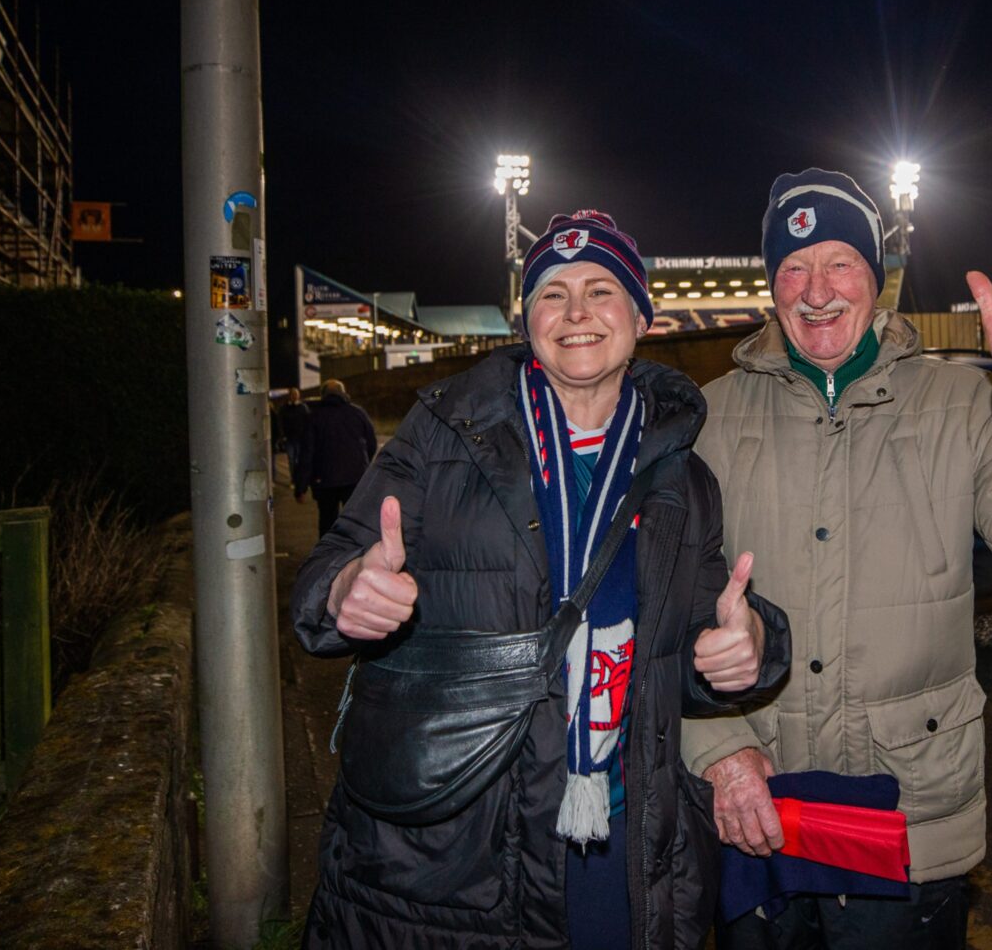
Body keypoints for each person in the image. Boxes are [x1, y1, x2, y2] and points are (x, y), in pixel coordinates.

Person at [292, 209, 790, 949]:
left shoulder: (681, 477)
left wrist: (747, 645)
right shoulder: (443, 432)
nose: (577, 312)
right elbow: (322, 580)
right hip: (452, 853)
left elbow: (686, 657)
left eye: (602, 290)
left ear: (642, 317)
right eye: (552, 293)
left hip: (620, 841)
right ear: (527, 323)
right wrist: (346, 594)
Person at [681, 169, 992, 949]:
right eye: (792, 268)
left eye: (839, 262)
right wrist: (714, 747)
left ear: (876, 281)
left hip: (909, 820)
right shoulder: (708, 417)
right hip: (759, 812)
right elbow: (663, 607)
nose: (815, 290)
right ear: (771, 286)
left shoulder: (961, 401)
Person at [294, 379, 378, 534]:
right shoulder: (357, 412)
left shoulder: (314, 416)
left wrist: (301, 487)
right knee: (354, 520)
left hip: (324, 479)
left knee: (327, 521)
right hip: (355, 476)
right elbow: (371, 443)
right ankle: (353, 554)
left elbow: (307, 453)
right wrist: (363, 465)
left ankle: (327, 555)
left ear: (322, 395)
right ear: (344, 393)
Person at [278, 387, 312, 484]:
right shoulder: (284, 408)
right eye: (293, 394)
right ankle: (294, 479)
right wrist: (282, 435)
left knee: (299, 459)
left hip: (301, 438)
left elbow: (308, 422)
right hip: (289, 438)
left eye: (296, 394)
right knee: (292, 459)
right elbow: (280, 422)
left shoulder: (303, 407)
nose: (294, 396)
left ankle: (300, 478)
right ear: (290, 396)